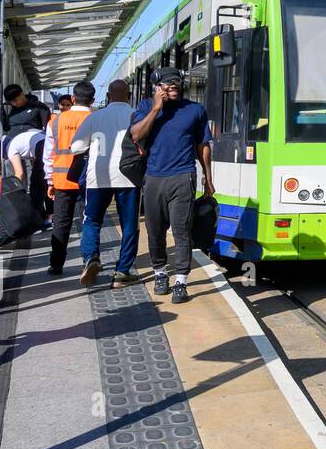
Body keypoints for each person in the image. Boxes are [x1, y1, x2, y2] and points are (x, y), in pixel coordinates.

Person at [130, 67, 213, 303]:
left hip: (183, 176)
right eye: (167, 84)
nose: (173, 87)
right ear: (157, 86)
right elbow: (136, 135)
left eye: (176, 83)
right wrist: (157, 108)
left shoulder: (195, 110)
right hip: (154, 177)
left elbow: (203, 146)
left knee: (181, 230)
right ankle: (160, 273)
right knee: (155, 231)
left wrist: (208, 177)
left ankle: (181, 282)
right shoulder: (146, 107)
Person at [71, 79, 141, 287]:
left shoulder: (95, 117)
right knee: (130, 225)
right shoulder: (136, 116)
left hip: (97, 178)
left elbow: (75, 147)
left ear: (108, 97)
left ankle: (91, 258)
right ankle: (122, 272)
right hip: (129, 177)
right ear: (129, 96)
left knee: (92, 221)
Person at [42, 81, 94, 275]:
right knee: (89, 220)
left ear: (73, 99)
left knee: (61, 222)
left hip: (62, 179)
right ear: (92, 100)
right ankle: (90, 260)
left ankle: (56, 264)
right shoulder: (95, 118)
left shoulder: (55, 121)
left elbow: (48, 154)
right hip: (88, 179)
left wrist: (49, 180)